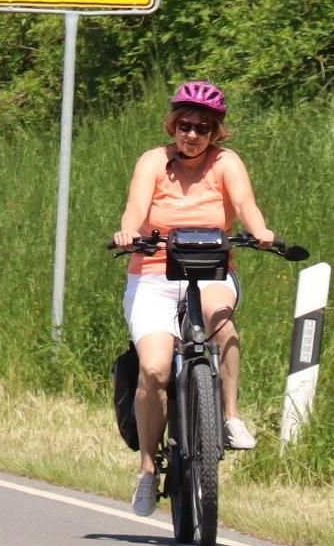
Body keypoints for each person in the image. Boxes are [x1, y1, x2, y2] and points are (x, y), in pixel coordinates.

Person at [112, 81, 274, 517]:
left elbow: (245, 205)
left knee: (221, 322)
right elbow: (135, 207)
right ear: (173, 125)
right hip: (153, 273)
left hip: (211, 272)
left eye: (203, 127)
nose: (192, 134)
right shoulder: (153, 162)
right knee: (154, 368)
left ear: (215, 131)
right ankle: (148, 469)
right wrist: (129, 232)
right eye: (185, 125)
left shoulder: (227, 163)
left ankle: (230, 416)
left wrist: (259, 231)